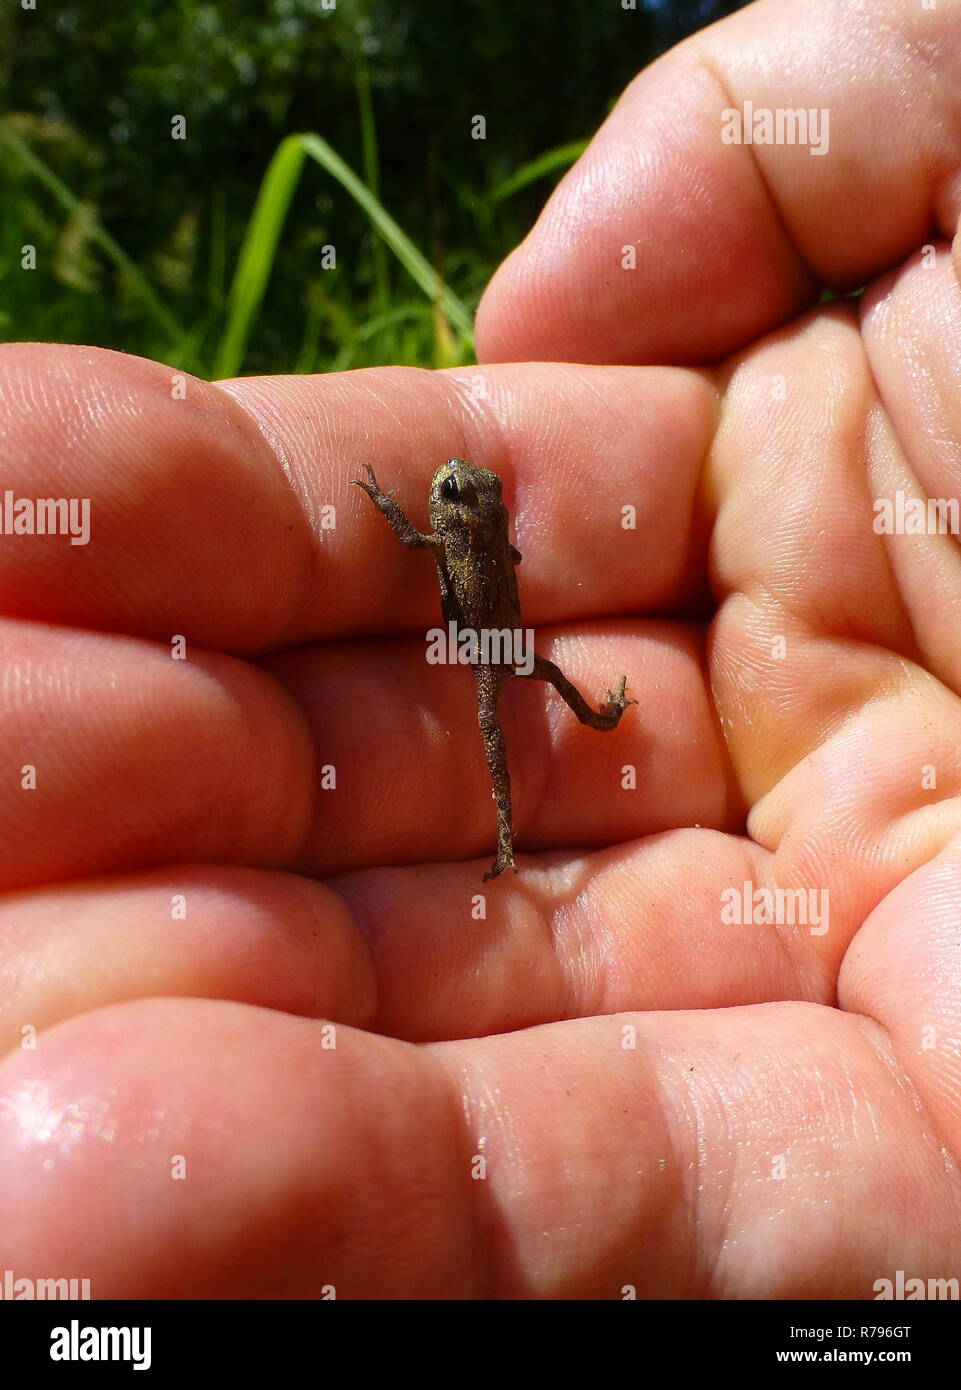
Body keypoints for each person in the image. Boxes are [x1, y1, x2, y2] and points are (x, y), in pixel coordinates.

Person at [2, 0, 960, 1298]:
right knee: (516, 717)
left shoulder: (467, 522)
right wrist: (420, 530)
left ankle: (531, 803)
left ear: (474, 507)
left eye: (458, 497)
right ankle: (521, 817)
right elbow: (425, 536)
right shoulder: (463, 521)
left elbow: (426, 539)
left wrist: (425, 538)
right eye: (453, 499)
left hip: (494, 628)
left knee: (525, 713)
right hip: (488, 629)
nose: (454, 500)